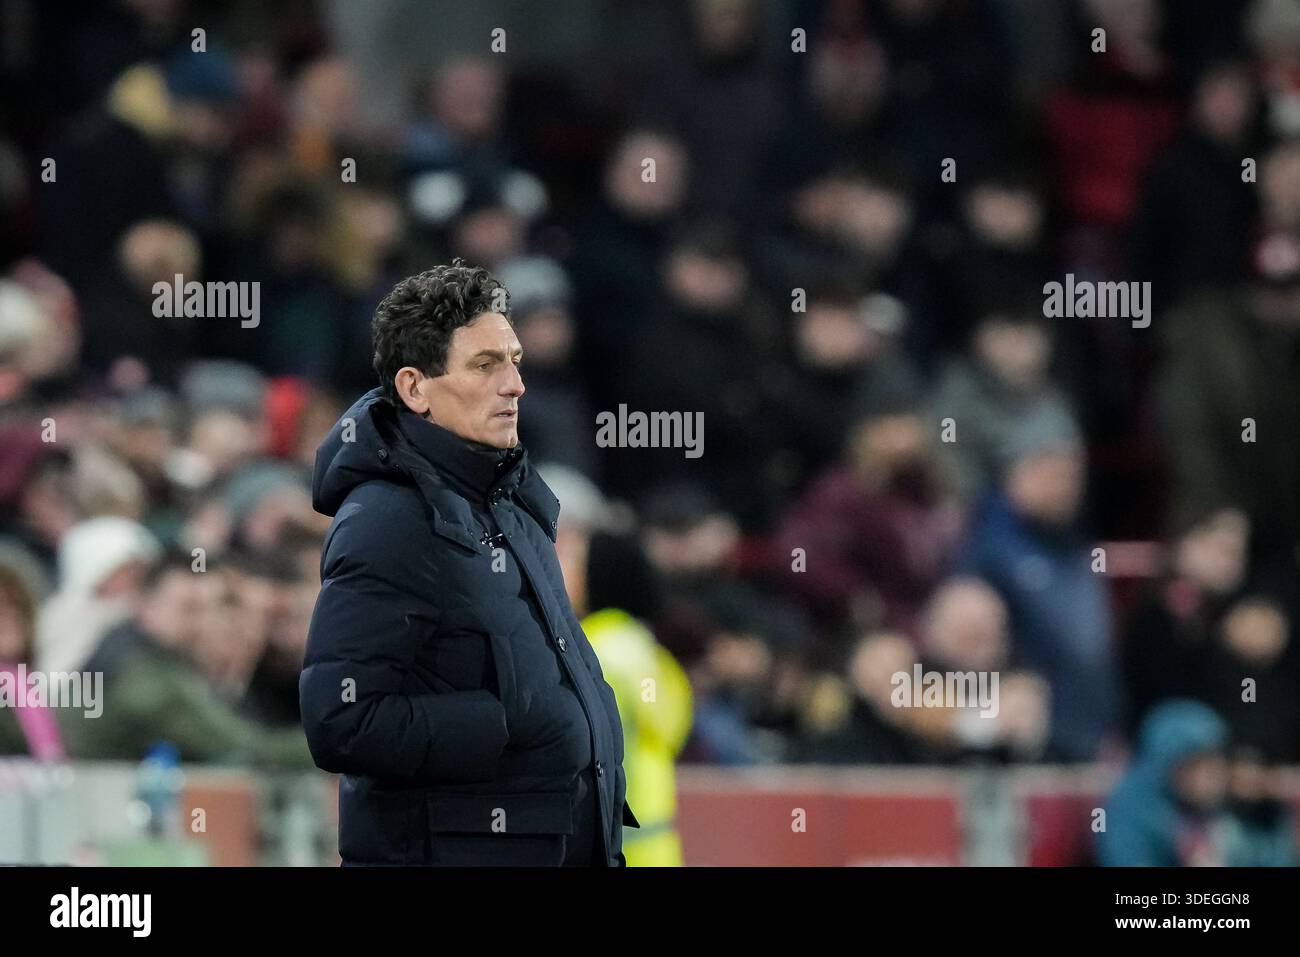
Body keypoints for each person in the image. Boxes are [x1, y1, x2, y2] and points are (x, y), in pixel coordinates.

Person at [300, 260, 635, 866]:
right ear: (414, 388)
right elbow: (341, 718)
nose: (514, 385)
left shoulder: (513, 506)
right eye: (485, 365)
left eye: (515, 361)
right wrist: (501, 723)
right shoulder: (388, 520)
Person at [1097, 699, 1229, 867]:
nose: (1212, 776)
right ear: (1167, 764)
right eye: (1196, 764)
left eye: (1214, 761)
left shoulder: (1201, 807)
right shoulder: (1130, 807)